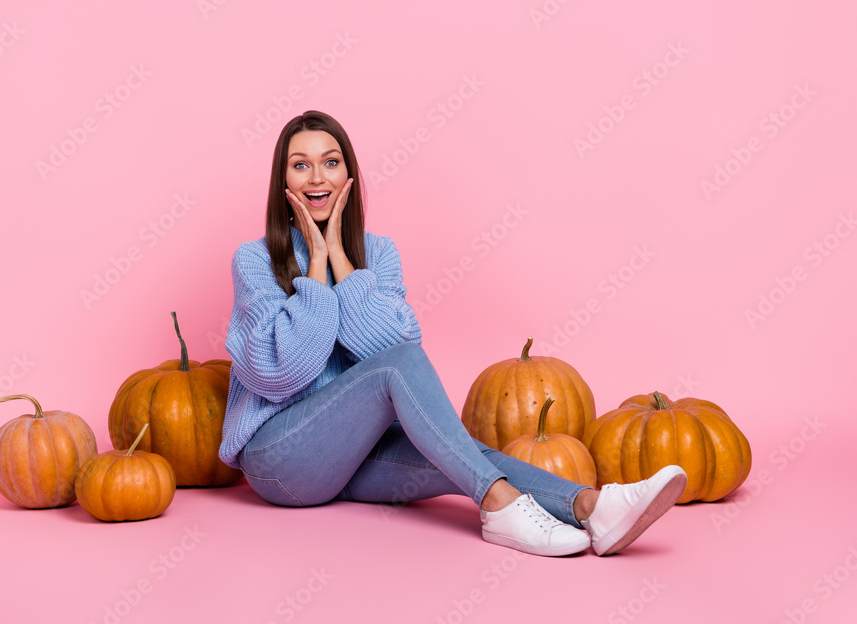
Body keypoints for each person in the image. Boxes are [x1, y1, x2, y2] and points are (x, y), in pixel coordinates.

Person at [218, 110, 687, 557]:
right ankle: (500, 509)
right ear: (284, 184)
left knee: (460, 452)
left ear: (348, 176)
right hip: (283, 463)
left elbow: (387, 349)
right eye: (301, 165)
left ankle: (592, 508)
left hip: (353, 462)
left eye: (331, 162)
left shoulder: (378, 254)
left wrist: (342, 256)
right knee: (405, 372)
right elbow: (279, 373)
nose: (317, 177)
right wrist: (317, 269)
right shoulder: (255, 260)